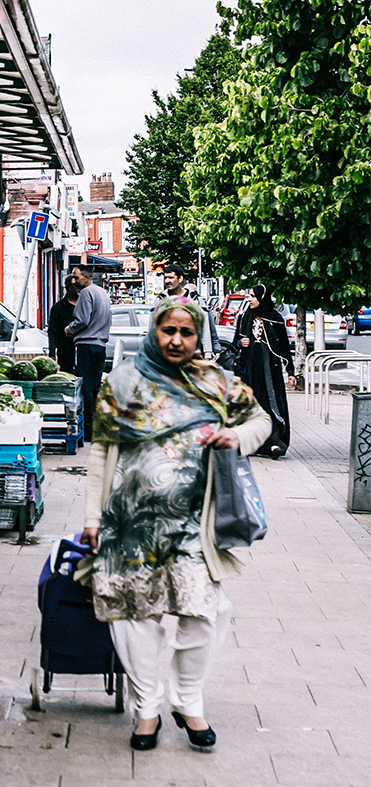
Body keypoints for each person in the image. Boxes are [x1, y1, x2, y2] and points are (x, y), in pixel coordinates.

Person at [80, 300, 271, 751]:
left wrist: (237, 436)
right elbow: (101, 451)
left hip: (192, 528)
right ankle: (147, 709)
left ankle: (188, 700)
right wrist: (92, 519)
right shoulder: (122, 381)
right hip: (128, 525)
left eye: (187, 332)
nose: (177, 340)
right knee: (133, 616)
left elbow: (261, 420)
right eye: (169, 330)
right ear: (155, 331)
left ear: (198, 336)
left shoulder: (216, 382)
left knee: (206, 613)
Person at [236, 285, 294, 458]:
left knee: (270, 403)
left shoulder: (275, 318)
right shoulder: (245, 316)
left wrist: (290, 371)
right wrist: (240, 343)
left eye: (253, 296)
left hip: (269, 368)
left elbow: (284, 346)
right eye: (249, 296)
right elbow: (235, 341)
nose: (249, 299)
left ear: (262, 298)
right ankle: (252, 444)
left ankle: (274, 443)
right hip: (249, 368)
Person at [65, 265, 111, 440]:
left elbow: (82, 320)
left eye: (76, 277)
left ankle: (90, 430)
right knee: (96, 387)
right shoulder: (102, 293)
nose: (73, 281)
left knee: (86, 388)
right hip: (100, 345)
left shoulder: (86, 293)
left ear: (86, 277)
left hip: (86, 344)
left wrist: (69, 330)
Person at [163, 263, 219, 358]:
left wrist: (208, 354)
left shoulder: (195, 300)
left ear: (180, 279)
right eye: (165, 278)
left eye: (170, 278)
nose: (167, 281)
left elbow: (205, 327)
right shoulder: (161, 300)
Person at [46, 277, 80, 373]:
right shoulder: (58, 308)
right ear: (69, 288)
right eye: (75, 285)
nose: (79, 288)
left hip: (83, 349)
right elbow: (53, 331)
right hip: (65, 350)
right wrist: (52, 352)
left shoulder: (85, 305)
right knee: (67, 375)